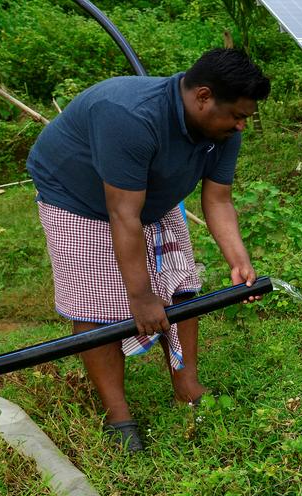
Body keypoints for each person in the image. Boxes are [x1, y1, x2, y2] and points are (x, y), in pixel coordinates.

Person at [26, 48, 270, 452]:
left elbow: (219, 199)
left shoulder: (221, 127)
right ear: (203, 97)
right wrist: (140, 297)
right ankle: (118, 415)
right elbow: (124, 216)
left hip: (151, 194)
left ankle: (186, 384)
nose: (243, 125)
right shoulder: (131, 116)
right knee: (96, 304)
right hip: (77, 196)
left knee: (180, 283)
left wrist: (239, 261)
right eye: (238, 115)